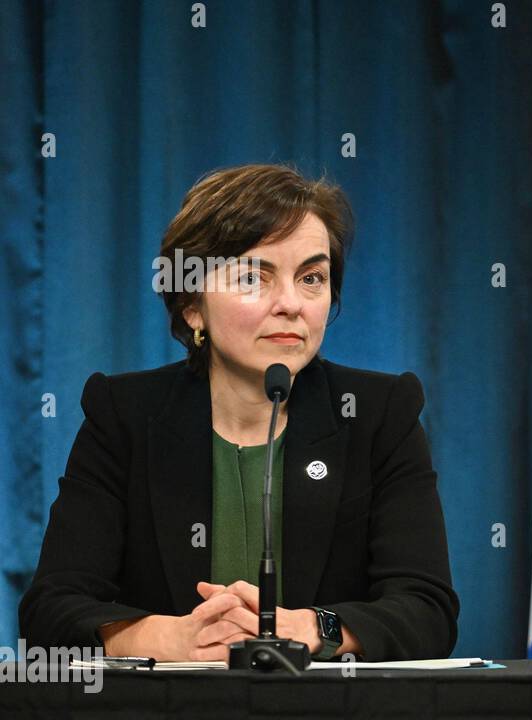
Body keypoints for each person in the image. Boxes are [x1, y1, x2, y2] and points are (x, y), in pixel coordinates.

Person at [20, 164, 459, 663]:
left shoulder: (379, 416)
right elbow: (50, 613)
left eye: (312, 277)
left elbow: (427, 612)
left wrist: (318, 626)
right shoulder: (124, 417)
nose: (292, 304)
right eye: (254, 276)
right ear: (192, 305)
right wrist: (169, 639)